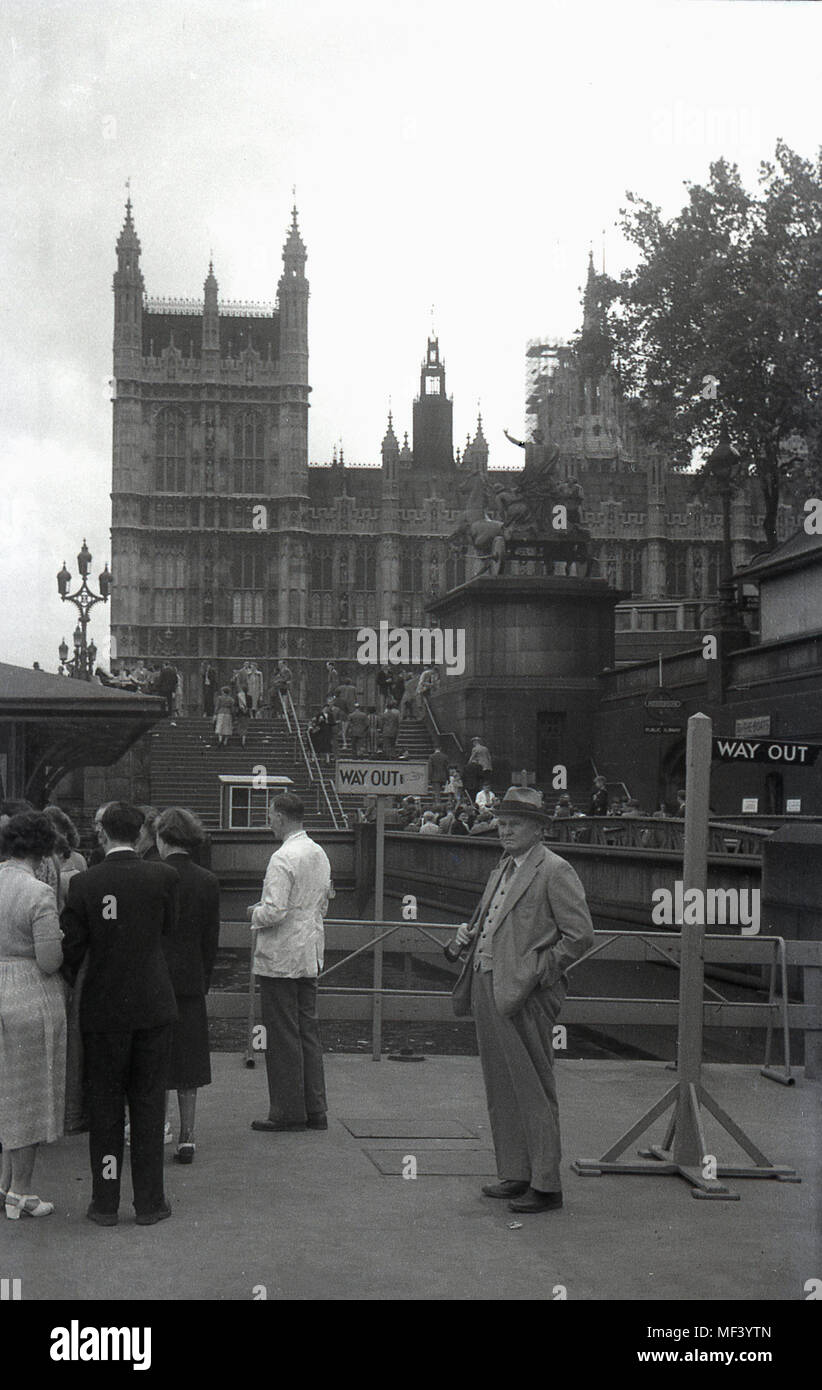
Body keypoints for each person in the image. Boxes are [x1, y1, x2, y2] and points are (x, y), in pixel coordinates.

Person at [450, 786, 594, 1214]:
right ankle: (515, 1172)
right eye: (502, 822)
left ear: (537, 829)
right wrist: (466, 936)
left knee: (532, 1086)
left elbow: (581, 936)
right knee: (502, 1086)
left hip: (525, 992)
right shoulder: (503, 867)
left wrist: (539, 971)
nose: (503, 829)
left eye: (514, 824)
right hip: (487, 983)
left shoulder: (555, 870)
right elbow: (490, 920)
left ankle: (547, 1185)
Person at [60, 802, 180, 1226]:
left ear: (102, 834)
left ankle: (104, 1203)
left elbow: (71, 949)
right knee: (148, 1106)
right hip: (153, 1003)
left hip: (104, 1009)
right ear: (141, 833)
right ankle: (149, 1203)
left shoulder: (84, 884)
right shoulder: (164, 877)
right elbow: (170, 932)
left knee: (106, 1109)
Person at [248, 794, 332, 1132]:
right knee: (307, 1030)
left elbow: (274, 910)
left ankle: (286, 1111)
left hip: (281, 957)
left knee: (282, 1035)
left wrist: (253, 913)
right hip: (310, 951)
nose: (269, 821)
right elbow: (323, 903)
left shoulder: (282, 857)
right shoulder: (319, 852)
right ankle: (316, 1108)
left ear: (282, 817)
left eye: (270, 815)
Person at [0, 812, 67, 1219]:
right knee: (27, 1093)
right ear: (41, 852)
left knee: (3, 1091)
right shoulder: (39, 892)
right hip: (27, 993)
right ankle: (20, 1192)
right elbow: (48, 960)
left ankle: (5, 1184)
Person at [155, 808, 220, 1165]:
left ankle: (157, 1127)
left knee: (156, 1057)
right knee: (189, 1062)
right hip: (191, 979)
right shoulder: (208, 881)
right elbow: (212, 939)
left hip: (155, 979)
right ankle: (188, 1136)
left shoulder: (154, 875)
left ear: (163, 838)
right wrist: (204, 977)